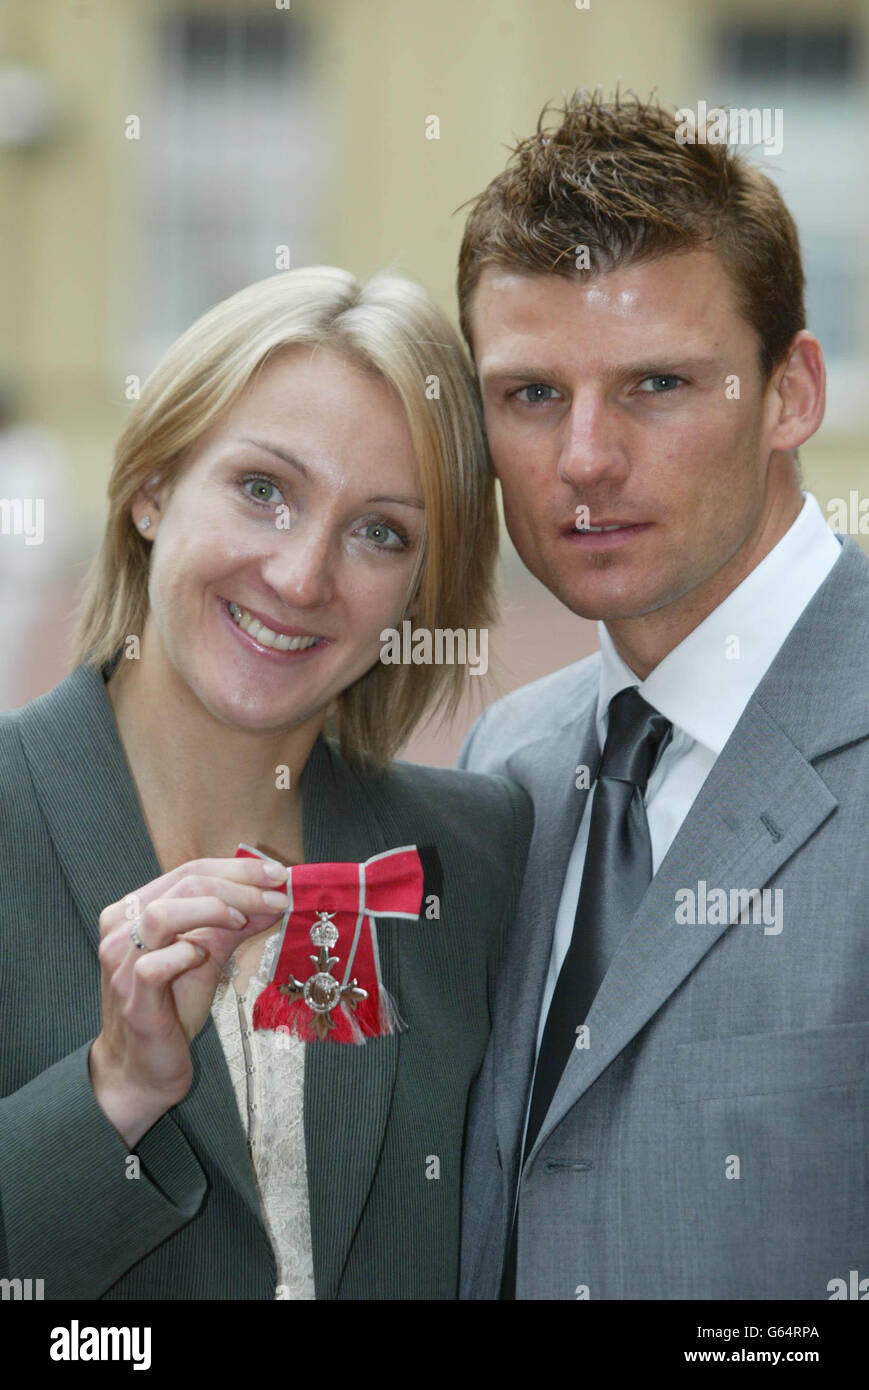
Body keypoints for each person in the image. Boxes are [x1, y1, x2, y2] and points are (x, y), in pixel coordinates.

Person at [0, 265, 532, 1300]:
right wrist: (114, 1087)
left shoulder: (476, 858)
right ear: (153, 486)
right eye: (262, 491)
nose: (300, 577)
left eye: (380, 532)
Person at [455, 91, 868, 1299]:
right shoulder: (505, 766)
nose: (583, 456)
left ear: (789, 392)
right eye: (532, 394)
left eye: (656, 385)